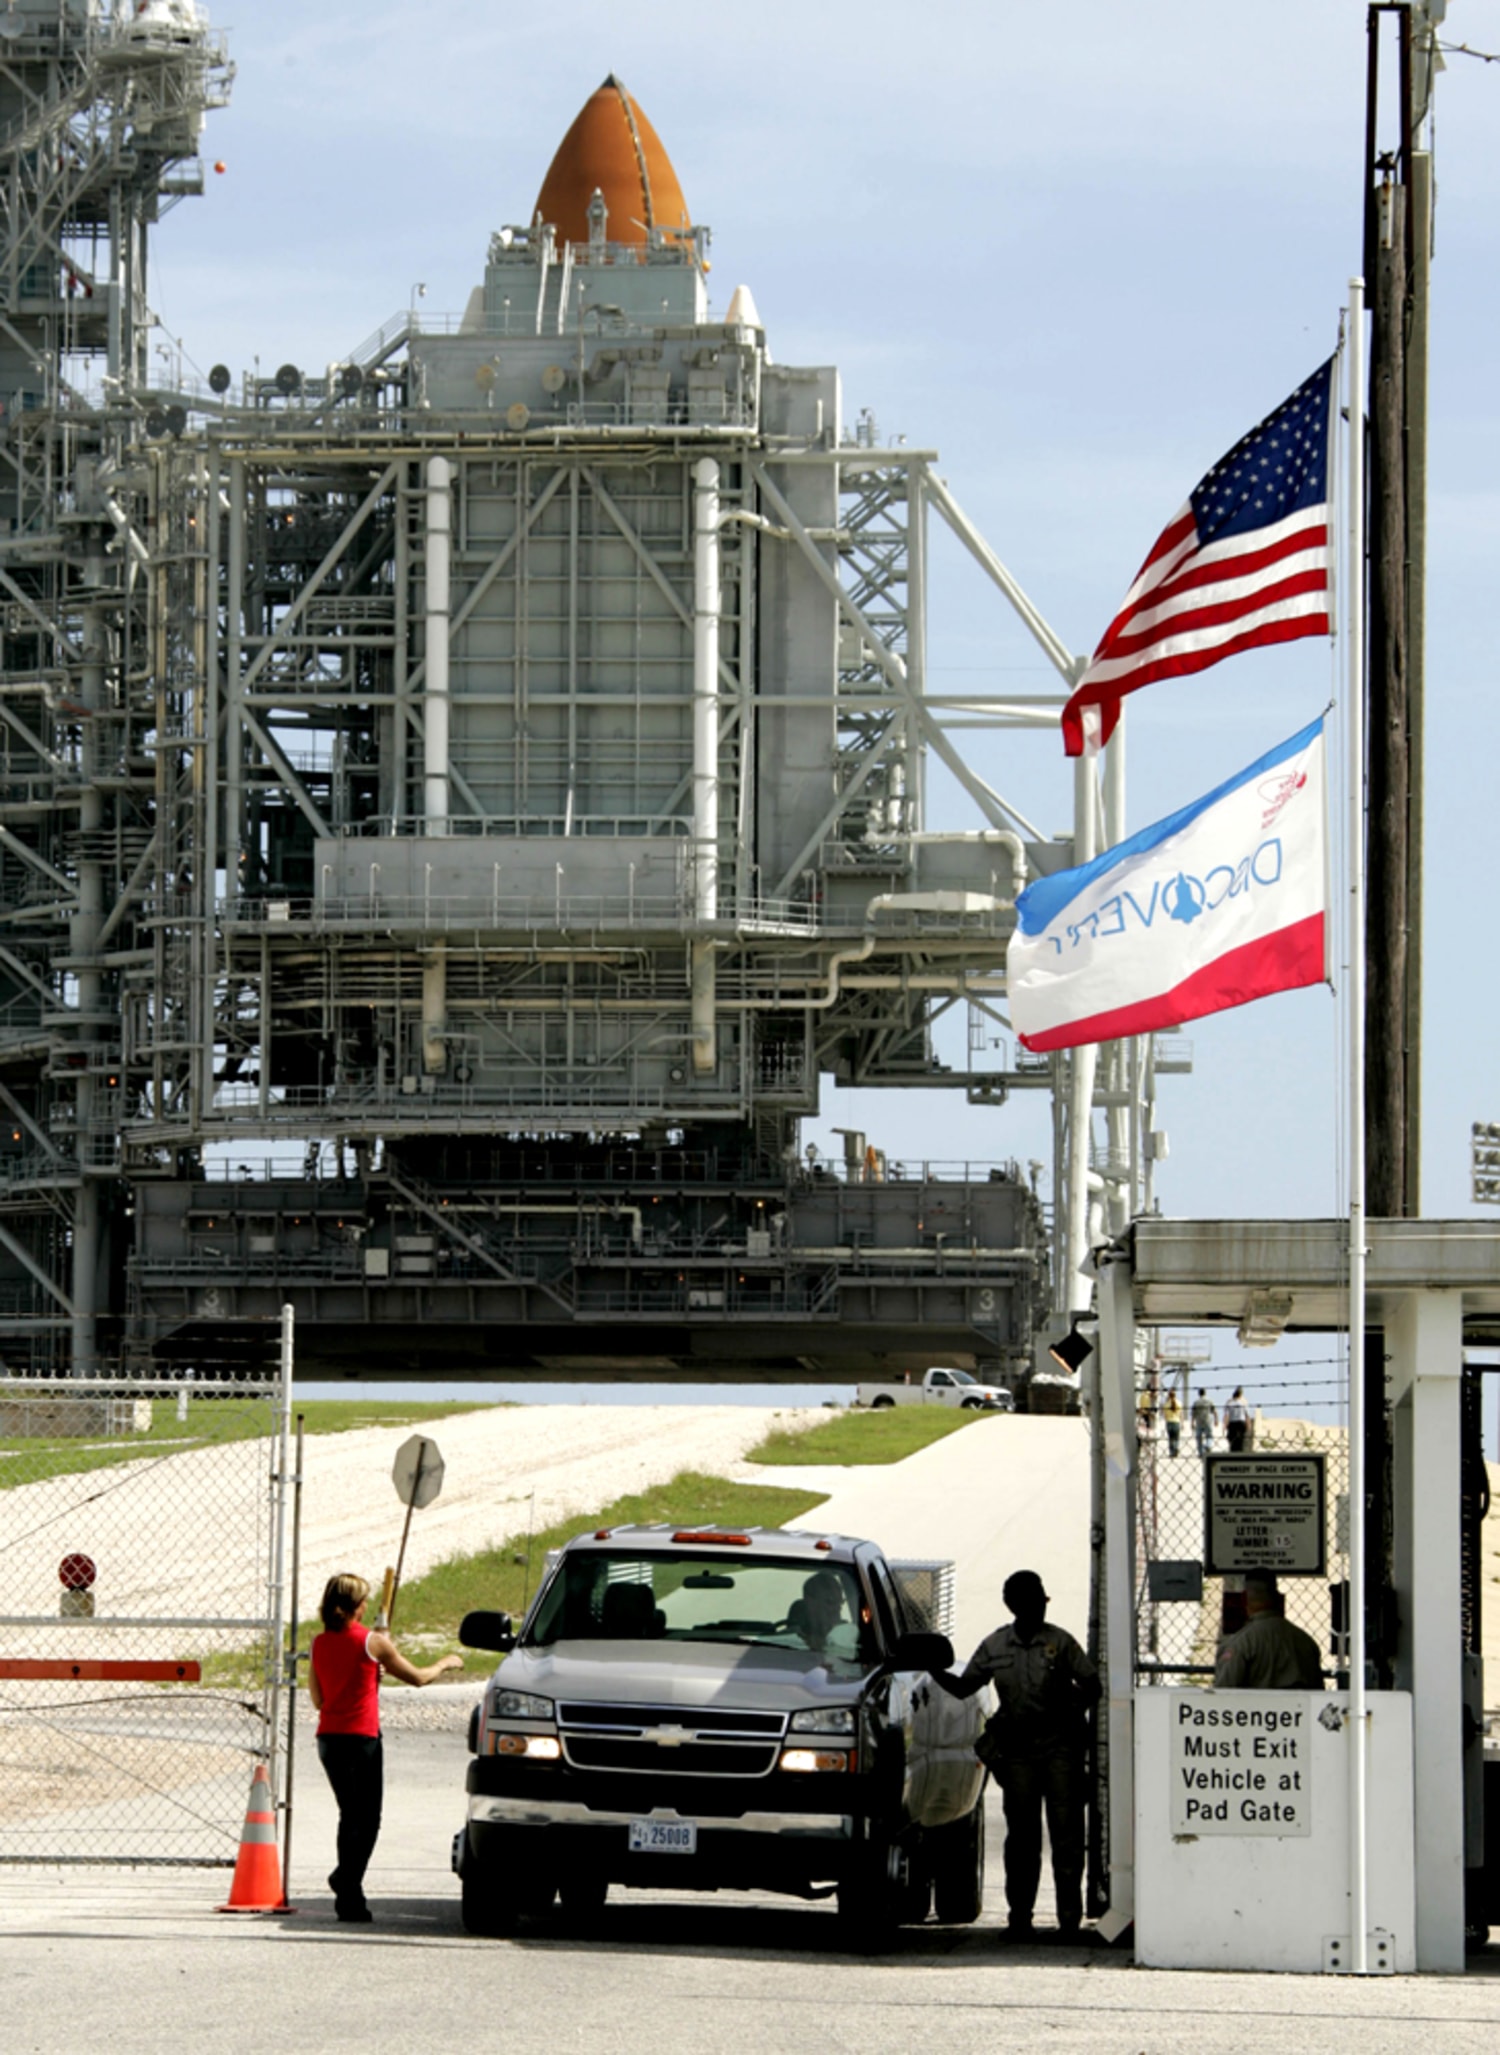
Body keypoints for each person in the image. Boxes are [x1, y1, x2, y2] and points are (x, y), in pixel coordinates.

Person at [929, 1570, 1100, 1940]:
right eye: (1028, 1601)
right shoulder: (995, 1646)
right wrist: (930, 1668)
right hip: (1018, 1753)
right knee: (1022, 1838)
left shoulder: (1060, 1642)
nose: (1036, 1607)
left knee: (1067, 1834)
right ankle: (1020, 1918)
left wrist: (1070, 1713)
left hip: (1060, 1750)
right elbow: (964, 1687)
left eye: (1040, 1601)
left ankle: (1069, 1921)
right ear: (1013, 1605)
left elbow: (1091, 1684)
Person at [308, 1571, 463, 1922]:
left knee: (349, 1815)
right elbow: (419, 1678)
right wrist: (445, 1662)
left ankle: (347, 1885)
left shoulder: (318, 1643)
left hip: (329, 1739)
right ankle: (348, 1886)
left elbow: (318, 1699)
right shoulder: (372, 1643)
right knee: (368, 1819)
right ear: (357, 1607)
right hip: (361, 1738)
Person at [1214, 1572, 1323, 1689]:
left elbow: (1224, 1689)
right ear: (1278, 1598)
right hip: (1300, 1706)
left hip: (1255, 1706)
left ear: (1243, 1598)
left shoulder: (1241, 1642)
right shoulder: (1305, 1641)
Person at [786, 1568, 846, 1652]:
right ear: (811, 1604)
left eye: (840, 1602)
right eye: (830, 1602)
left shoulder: (849, 1641)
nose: (838, 1608)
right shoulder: (785, 1644)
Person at [1190, 1387, 1217, 1458]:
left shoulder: (1196, 1402)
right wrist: (1216, 1420)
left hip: (1199, 1422)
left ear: (1199, 1394)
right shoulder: (1209, 1401)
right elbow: (1214, 1411)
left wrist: (1192, 1423)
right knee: (1209, 1435)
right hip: (1208, 1421)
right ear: (1205, 1393)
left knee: (1199, 1438)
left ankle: (1201, 1452)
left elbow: (1193, 1414)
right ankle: (1208, 1445)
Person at [1224, 1386, 1251, 1453]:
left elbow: (1226, 1415)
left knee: (1232, 1439)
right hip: (1241, 1423)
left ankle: (1233, 1451)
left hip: (1232, 1423)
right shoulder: (1243, 1402)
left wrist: (1225, 1425)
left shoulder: (1229, 1403)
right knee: (1241, 1439)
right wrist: (1248, 1424)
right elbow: (1247, 1415)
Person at [1162, 1390, 1182, 1458]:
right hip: (1176, 1421)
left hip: (1169, 1422)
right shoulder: (1179, 1403)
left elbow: (1165, 1415)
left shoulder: (1166, 1404)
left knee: (1170, 1438)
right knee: (1176, 1438)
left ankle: (1171, 1452)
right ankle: (1176, 1448)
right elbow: (1180, 1414)